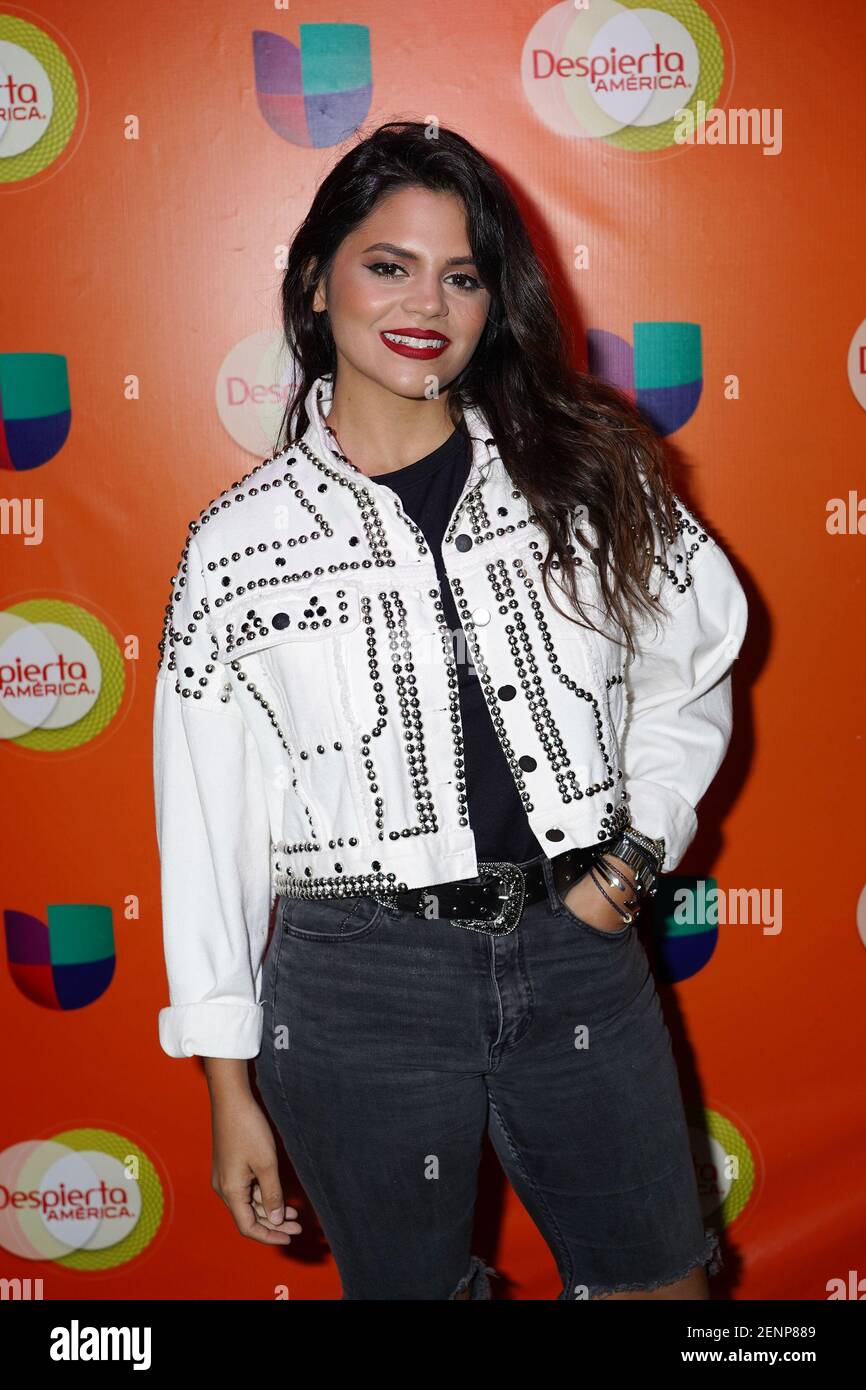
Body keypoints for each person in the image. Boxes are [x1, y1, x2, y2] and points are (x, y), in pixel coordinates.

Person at [153, 120, 748, 1301]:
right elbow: (205, 831)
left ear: (494, 301)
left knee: (664, 1290)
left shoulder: (589, 473)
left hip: (577, 954)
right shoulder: (235, 545)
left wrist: (634, 854)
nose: (425, 301)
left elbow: (691, 670)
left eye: (462, 274)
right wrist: (227, 1085)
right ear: (318, 280)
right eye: (388, 264)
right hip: (357, 981)